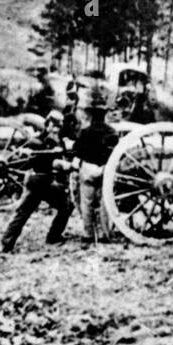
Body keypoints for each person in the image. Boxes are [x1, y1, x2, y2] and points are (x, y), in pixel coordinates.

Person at [1, 110, 72, 251]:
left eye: (59, 127)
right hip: (38, 180)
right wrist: (61, 163)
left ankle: (53, 236)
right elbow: (43, 162)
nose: (56, 129)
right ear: (47, 125)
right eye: (54, 126)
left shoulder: (55, 141)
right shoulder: (37, 142)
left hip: (46, 181)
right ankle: (7, 242)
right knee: (24, 212)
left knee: (66, 206)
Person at [71, 94, 120, 243]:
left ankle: (88, 234)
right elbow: (116, 152)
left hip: (88, 170)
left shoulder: (85, 132)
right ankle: (105, 233)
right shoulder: (111, 132)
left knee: (87, 203)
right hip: (105, 169)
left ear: (91, 114)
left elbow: (76, 150)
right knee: (105, 203)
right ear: (105, 115)